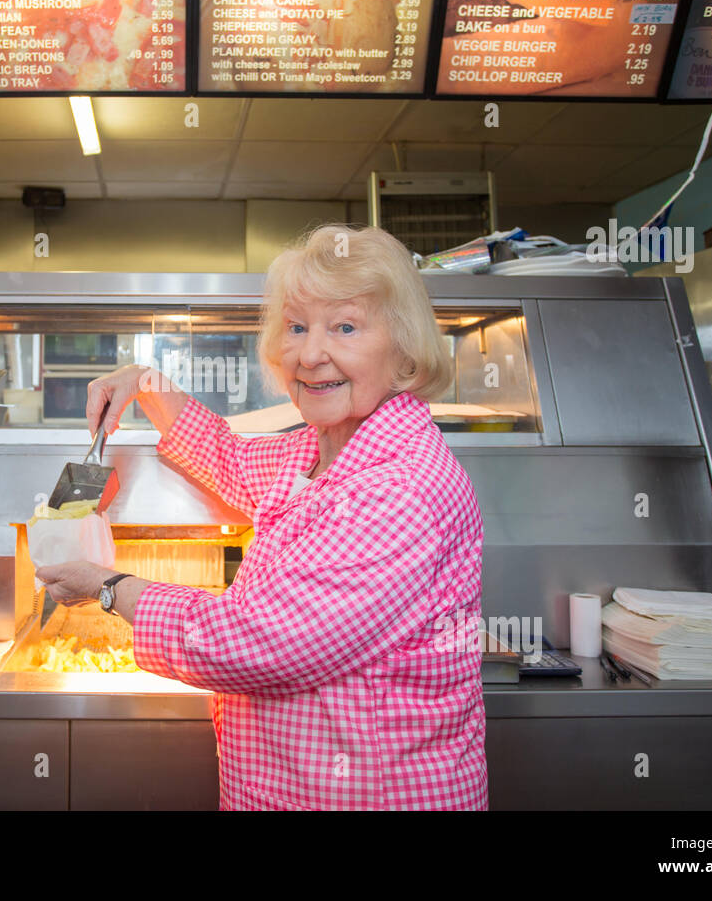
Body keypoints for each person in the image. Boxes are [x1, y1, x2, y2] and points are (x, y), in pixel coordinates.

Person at [36, 224, 487, 810]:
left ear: (403, 347)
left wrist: (108, 590)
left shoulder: (401, 486)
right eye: (297, 327)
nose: (310, 353)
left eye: (344, 327)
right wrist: (144, 382)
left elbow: (261, 642)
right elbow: (229, 456)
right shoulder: (321, 446)